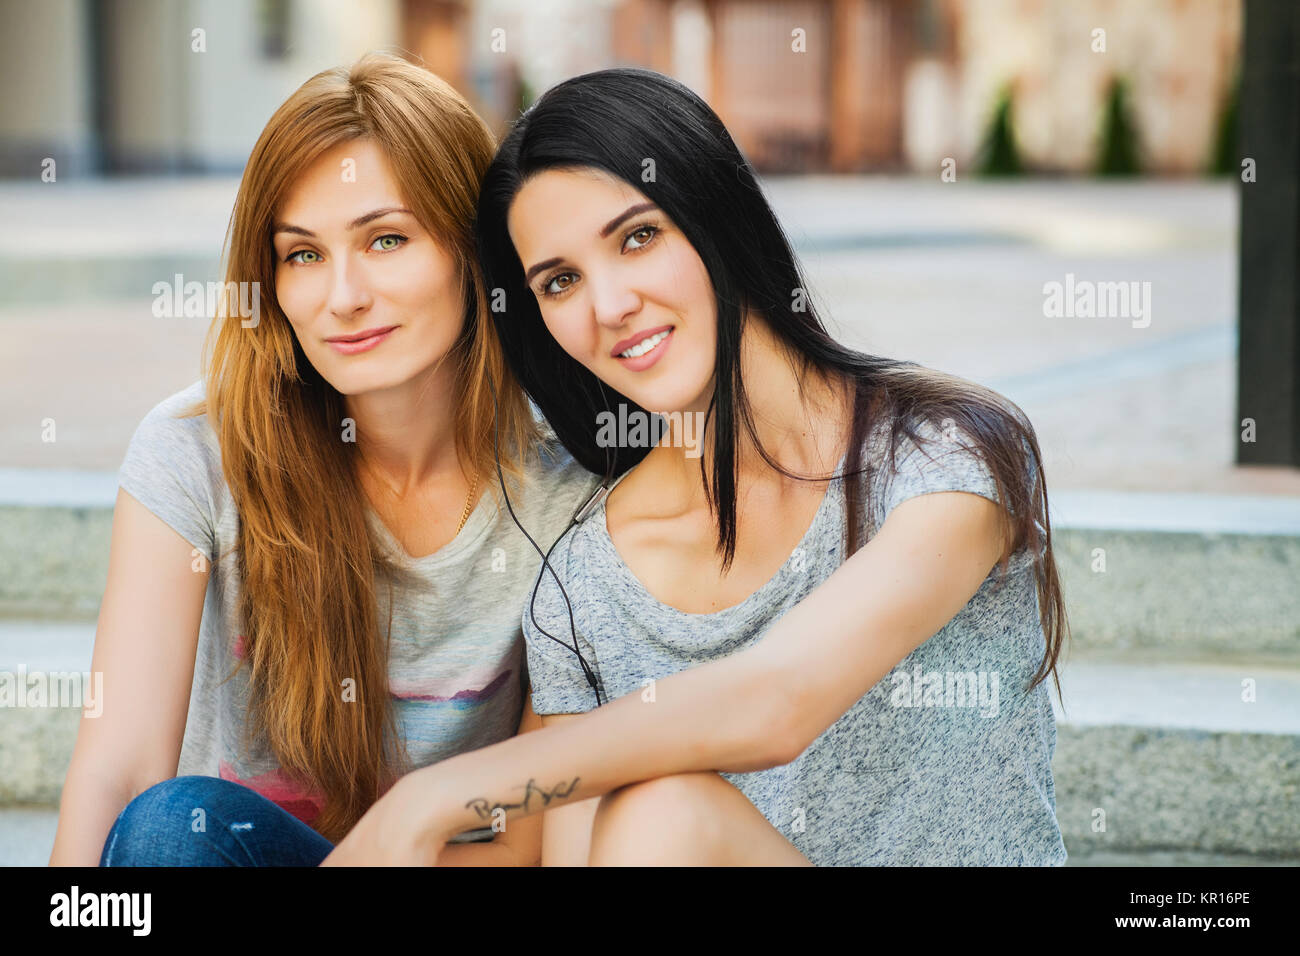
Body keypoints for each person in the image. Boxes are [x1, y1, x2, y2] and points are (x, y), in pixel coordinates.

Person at [323, 68, 1070, 867]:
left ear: (714, 213)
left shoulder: (944, 456)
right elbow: (576, 854)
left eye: (638, 237)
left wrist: (440, 797)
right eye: (560, 281)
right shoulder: (586, 580)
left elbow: (777, 703)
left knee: (666, 816)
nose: (608, 305)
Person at [48, 53, 598, 867]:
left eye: (385, 239)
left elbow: (532, 842)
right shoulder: (199, 451)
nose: (342, 296)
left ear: (472, 251)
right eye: (302, 254)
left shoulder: (570, 487)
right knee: (171, 824)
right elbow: (118, 772)